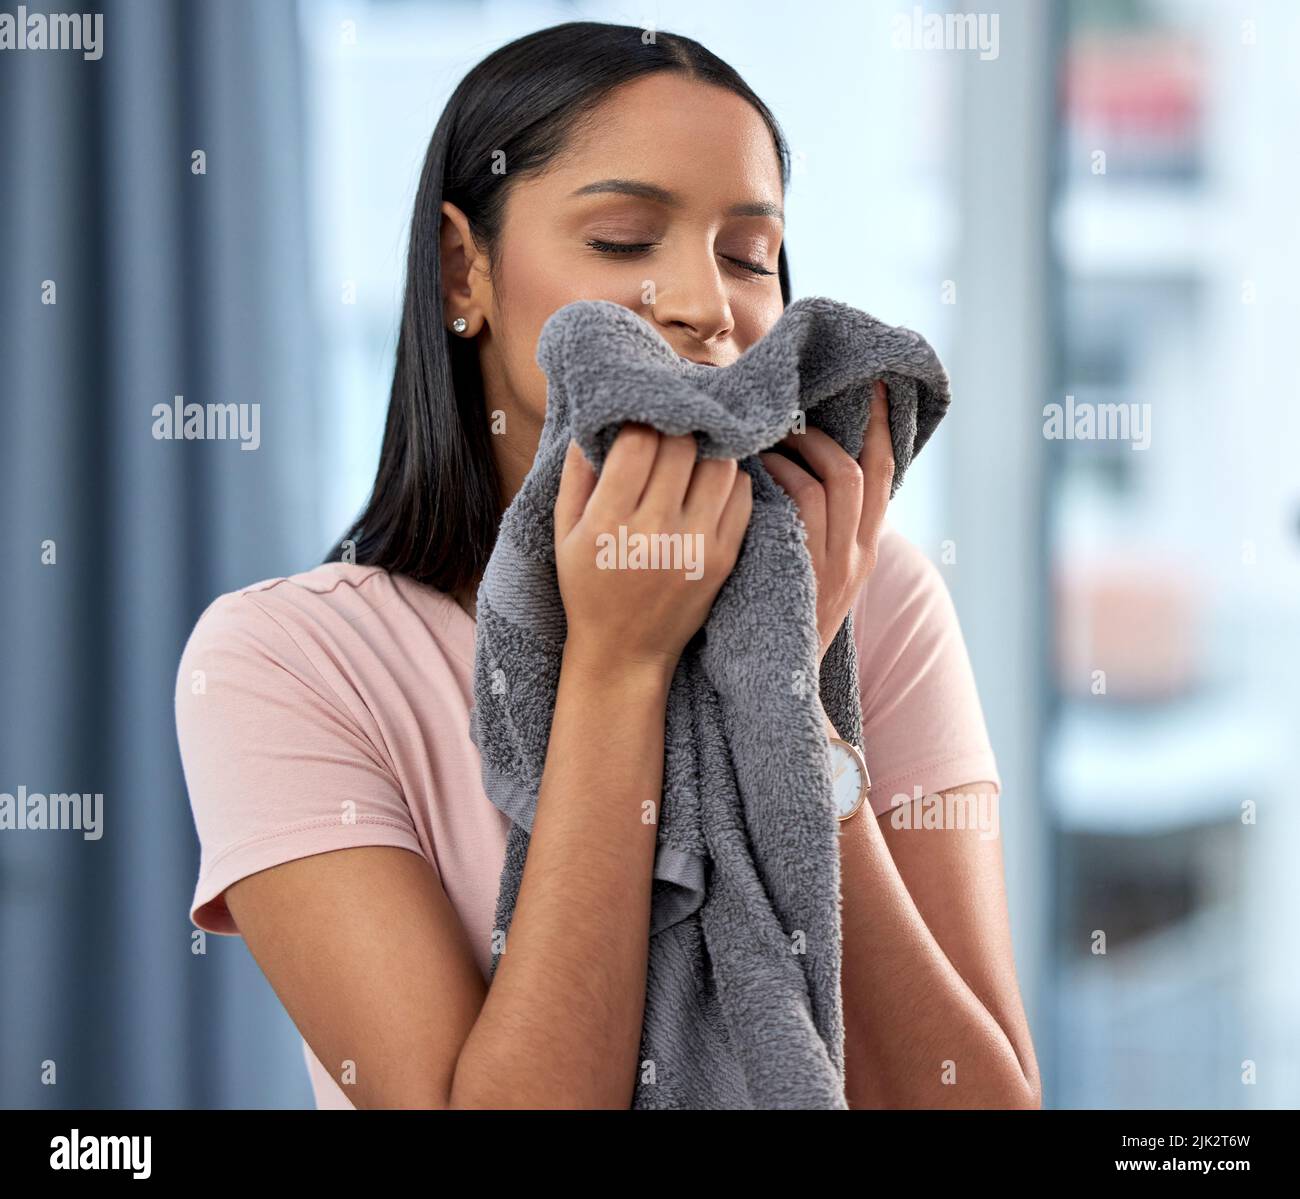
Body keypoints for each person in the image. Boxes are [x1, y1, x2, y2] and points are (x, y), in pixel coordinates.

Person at [175, 20, 1039, 1110]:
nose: (705, 305)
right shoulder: (287, 661)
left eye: (746, 255)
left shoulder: (874, 596)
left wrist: (786, 694)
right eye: (625, 239)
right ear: (462, 271)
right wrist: (620, 665)